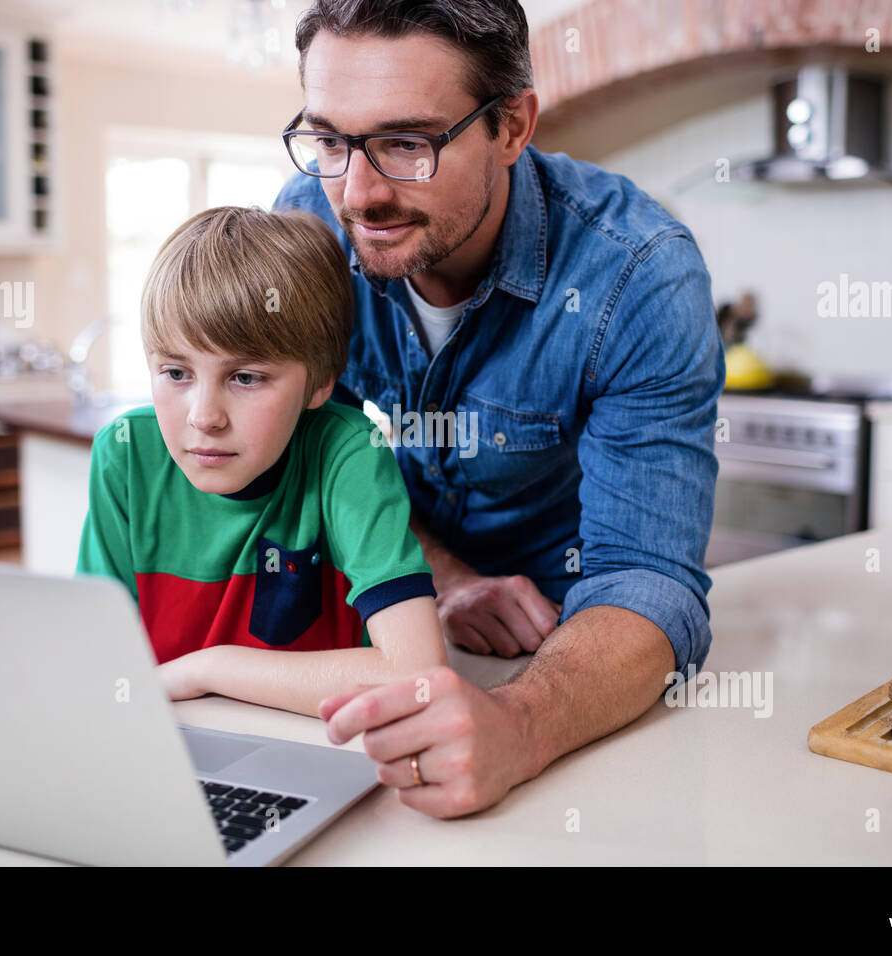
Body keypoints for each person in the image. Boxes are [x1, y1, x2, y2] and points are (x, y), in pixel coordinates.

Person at [273, 0, 724, 817]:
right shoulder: (307, 226)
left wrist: (519, 726)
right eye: (331, 141)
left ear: (512, 128)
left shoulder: (640, 277)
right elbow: (302, 459)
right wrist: (441, 580)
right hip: (386, 608)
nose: (358, 194)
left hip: (561, 641)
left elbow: (646, 579)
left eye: (407, 143)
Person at [75, 205, 447, 717]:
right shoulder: (123, 454)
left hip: (317, 751)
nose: (204, 417)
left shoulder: (347, 455)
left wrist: (208, 669)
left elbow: (418, 676)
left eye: (245, 378)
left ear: (320, 382)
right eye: (176, 373)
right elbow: (94, 667)